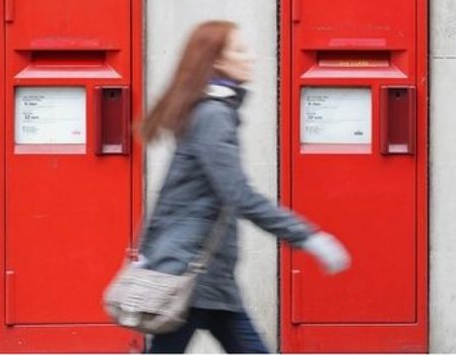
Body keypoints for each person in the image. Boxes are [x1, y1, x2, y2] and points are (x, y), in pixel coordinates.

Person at [137, 20, 350, 353]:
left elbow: (172, 195)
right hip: (191, 276)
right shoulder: (212, 115)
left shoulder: (210, 111)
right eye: (240, 50)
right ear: (217, 62)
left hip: (208, 278)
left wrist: (149, 250)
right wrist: (308, 236)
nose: (251, 57)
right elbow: (240, 195)